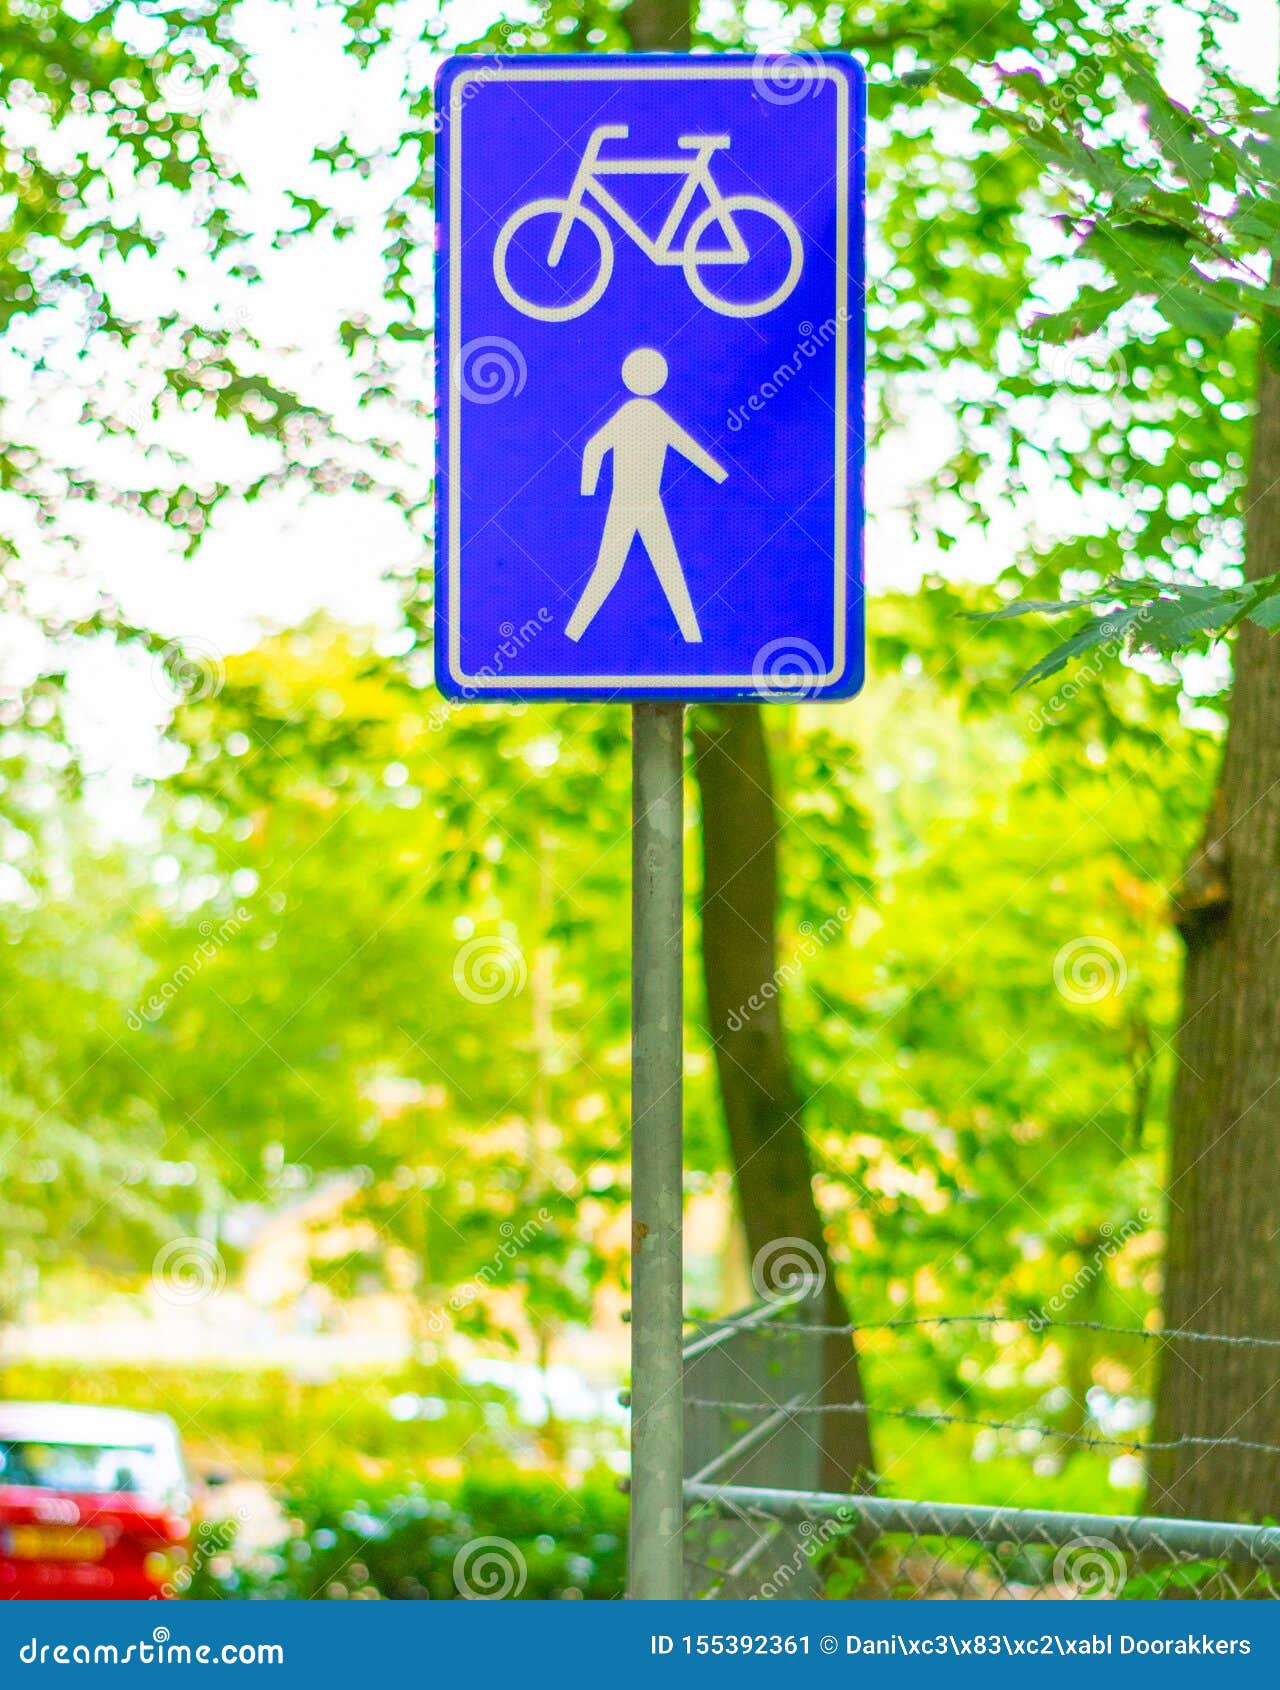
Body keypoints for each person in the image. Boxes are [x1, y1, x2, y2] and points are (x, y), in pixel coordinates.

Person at [565, 348, 727, 643]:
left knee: (644, 568)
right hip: (631, 502)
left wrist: (589, 489)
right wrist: (587, 490)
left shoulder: (642, 414)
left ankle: (691, 636)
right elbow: (595, 447)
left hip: (642, 502)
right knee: (642, 569)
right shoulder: (641, 414)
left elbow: (594, 448)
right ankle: (573, 633)